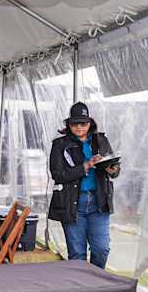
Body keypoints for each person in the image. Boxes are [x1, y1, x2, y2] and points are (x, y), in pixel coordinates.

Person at [48, 102, 119, 269]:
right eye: (74, 123)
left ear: (90, 123)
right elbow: (58, 175)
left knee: (101, 249)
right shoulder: (60, 144)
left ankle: (95, 282)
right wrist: (86, 166)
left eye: (83, 123)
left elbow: (115, 172)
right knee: (77, 254)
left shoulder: (102, 140)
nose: (79, 127)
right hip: (72, 203)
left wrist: (112, 169)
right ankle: (81, 289)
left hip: (99, 203)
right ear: (68, 124)